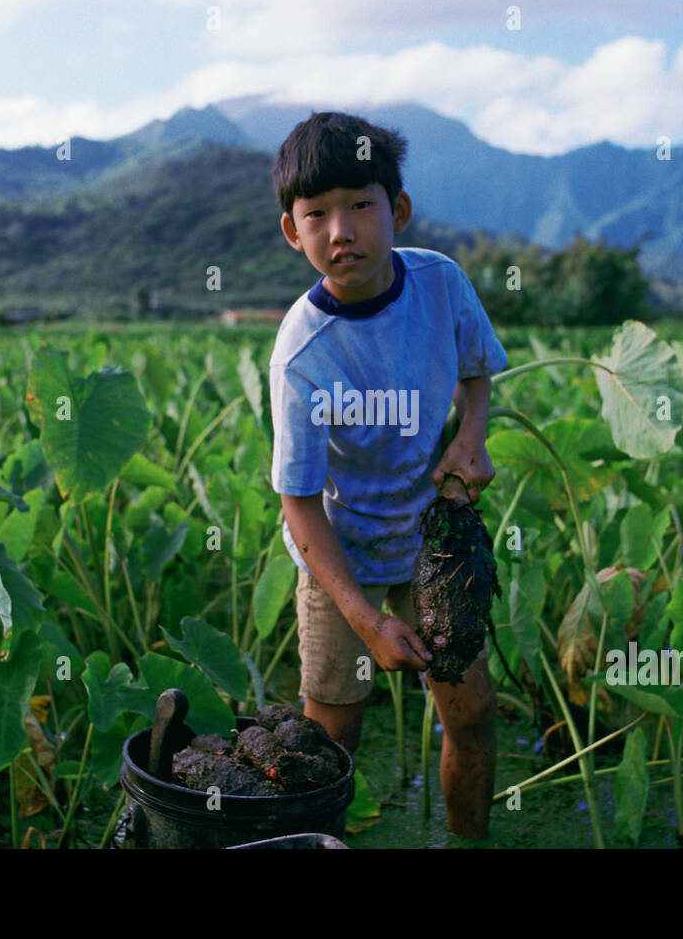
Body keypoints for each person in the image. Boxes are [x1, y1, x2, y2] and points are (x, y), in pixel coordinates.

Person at [267, 110, 509, 838]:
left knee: (471, 716)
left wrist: (471, 437)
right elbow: (299, 506)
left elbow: (477, 372)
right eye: (318, 215)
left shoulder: (440, 283)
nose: (342, 231)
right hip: (339, 552)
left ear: (396, 211)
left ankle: (468, 843)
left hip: (432, 538)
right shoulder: (302, 355)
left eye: (361, 206)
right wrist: (368, 620)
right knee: (331, 743)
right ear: (294, 232)